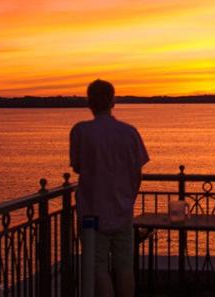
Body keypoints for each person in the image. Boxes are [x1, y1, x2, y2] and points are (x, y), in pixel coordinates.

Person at [69, 79, 150, 297]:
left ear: (89, 103)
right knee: (124, 266)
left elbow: (77, 166)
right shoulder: (130, 132)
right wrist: (128, 198)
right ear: (113, 101)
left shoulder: (80, 131)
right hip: (122, 210)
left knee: (97, 267)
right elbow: (138, 172)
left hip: (91, 212)